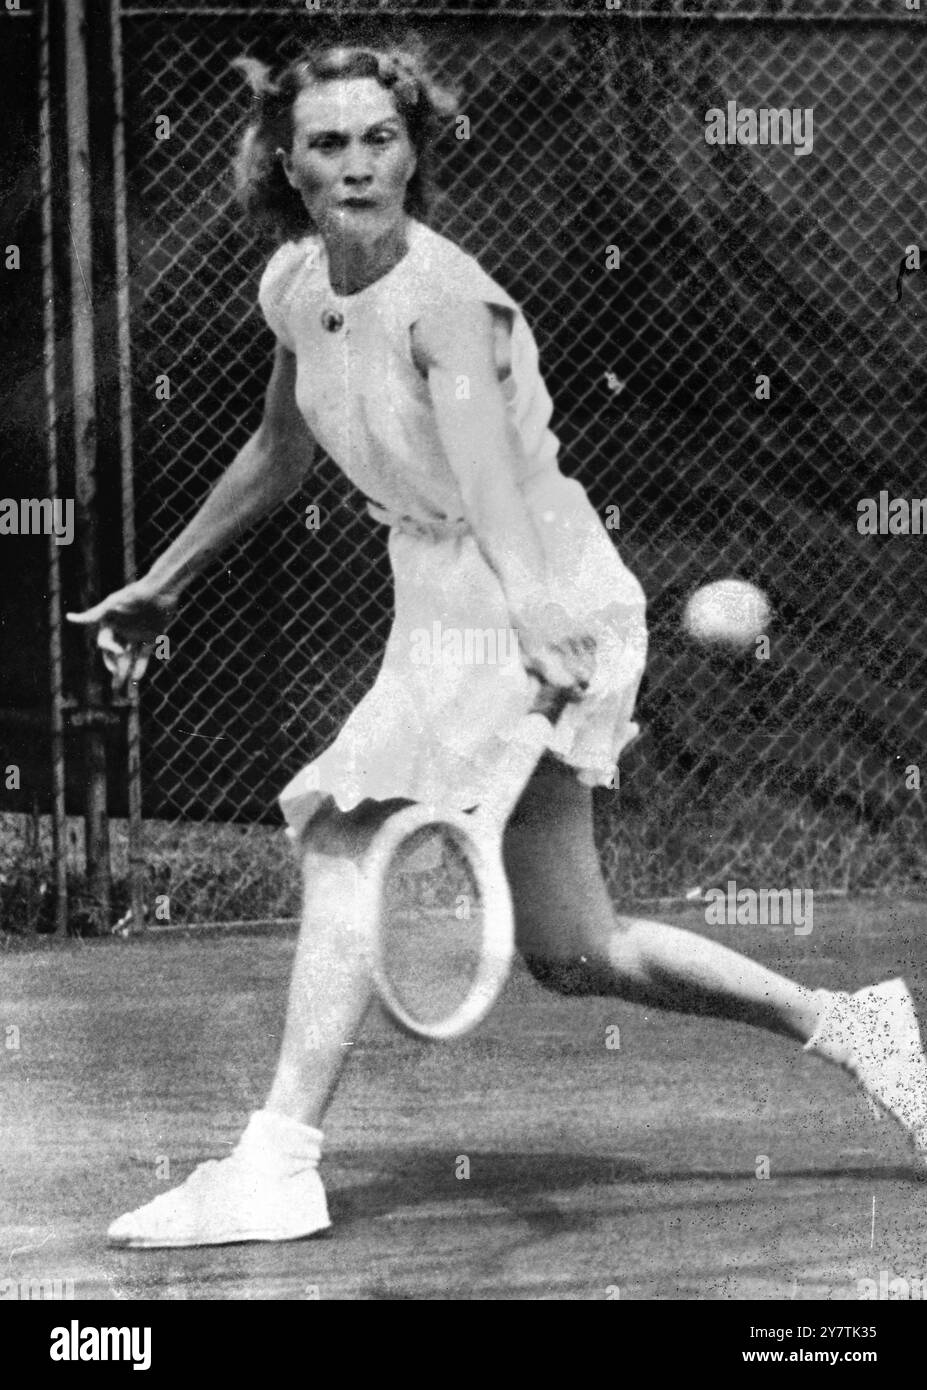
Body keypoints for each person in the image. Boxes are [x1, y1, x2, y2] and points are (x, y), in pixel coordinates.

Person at [69, 39, 927, 1249]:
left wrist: (534, 615)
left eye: (382, 138)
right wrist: (162, 580)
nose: (361, 164)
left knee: (345, 828)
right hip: (444, 593)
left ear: (414, 149)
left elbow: (488, 480)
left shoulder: (447, 304)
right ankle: (853, 1023)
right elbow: (280, 448)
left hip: (533, 583)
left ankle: (277, 1161)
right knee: (578, 948)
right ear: (286, 163)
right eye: (330, 142)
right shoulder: (295, 286)